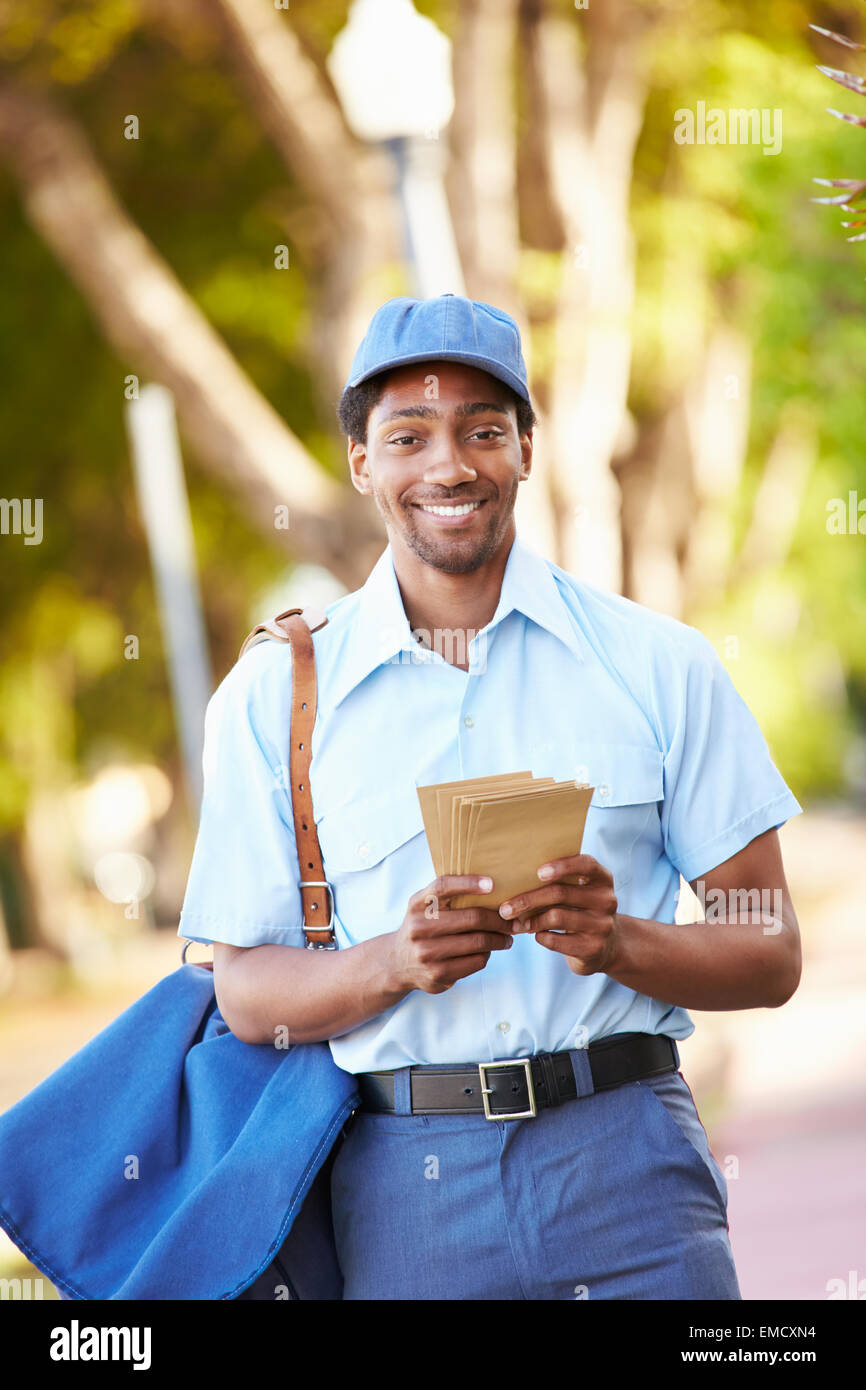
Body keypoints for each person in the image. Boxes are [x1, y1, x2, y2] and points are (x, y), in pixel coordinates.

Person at [178, 293, 803, 1300]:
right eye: (407, 435)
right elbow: (248, 991)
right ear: (361, 462)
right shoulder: (272, 698)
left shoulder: (659, 665)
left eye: (481, 430)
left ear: (524, 447)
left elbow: (766, 945)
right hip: (406, 1185)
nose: (448, 465)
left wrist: (618, 943)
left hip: (628, 1163)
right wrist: (390, 960)